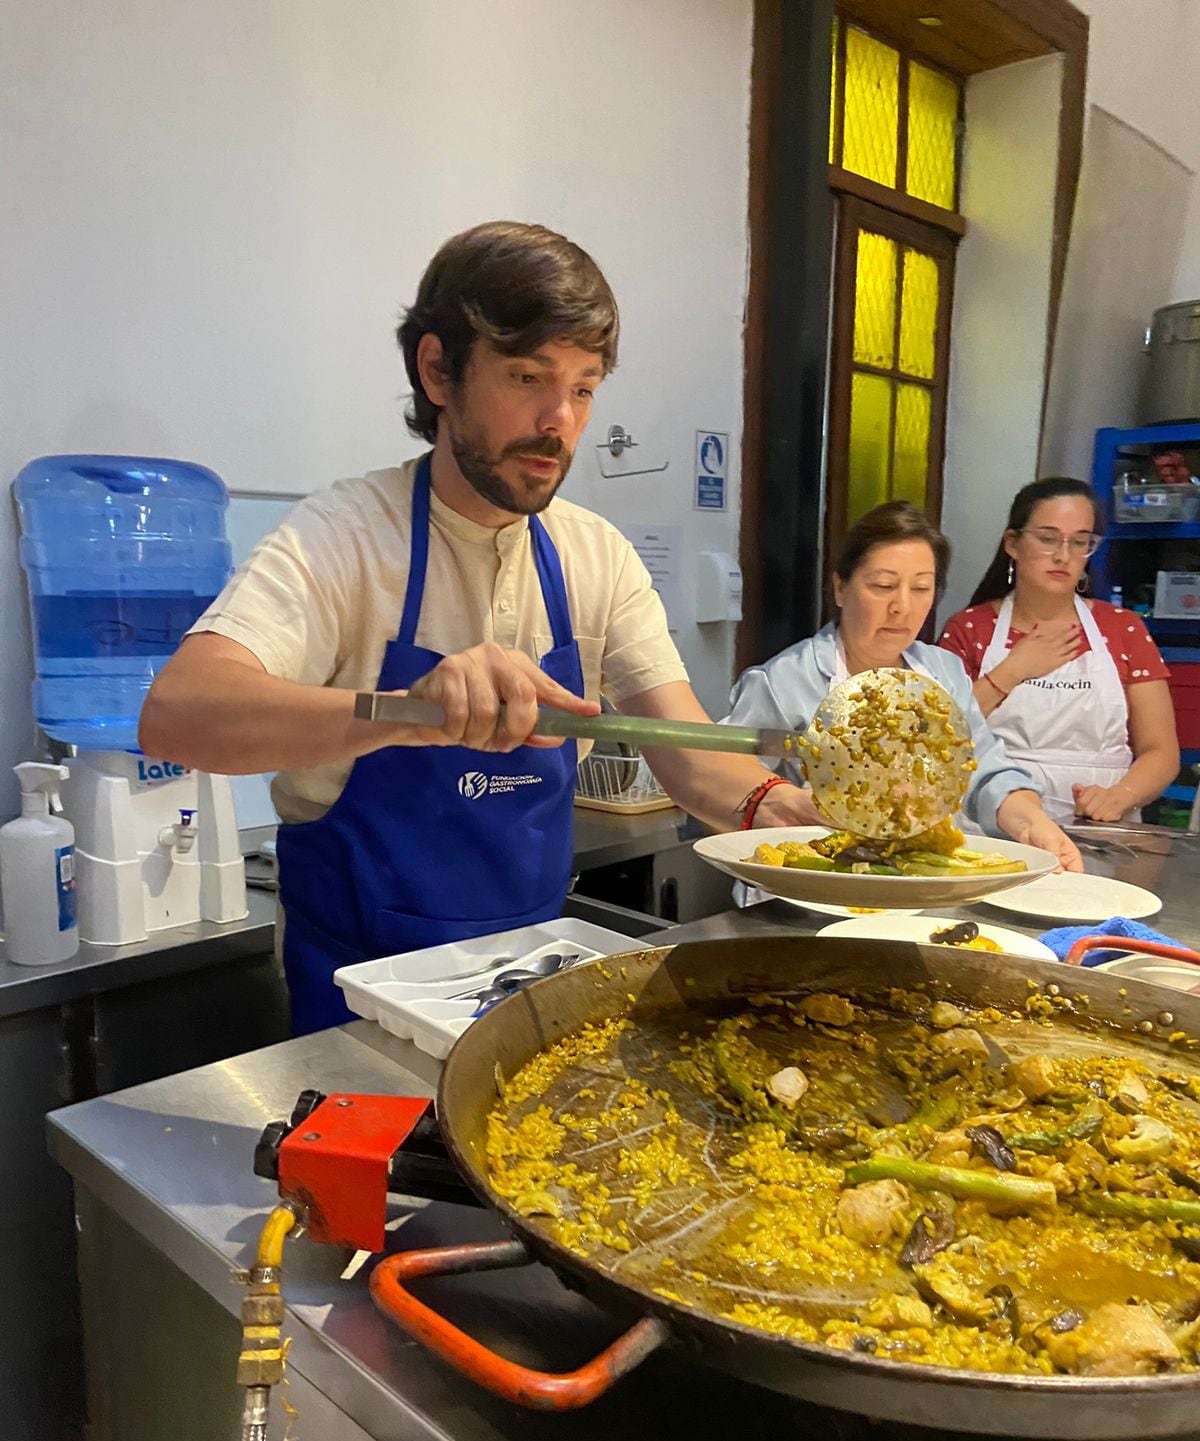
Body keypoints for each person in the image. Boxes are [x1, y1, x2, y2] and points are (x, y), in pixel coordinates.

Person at [138, 220, 816, 1033]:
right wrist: (406, 712)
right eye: (529, 375)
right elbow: (180, 716)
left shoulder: (594, 556)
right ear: (437, 370)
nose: (559, 419)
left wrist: (788, 813)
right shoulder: (348, 534)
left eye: (585, 386)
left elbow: (687, 750)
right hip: (358, 1007)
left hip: (532, 988)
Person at [725, 502, 1081, 869]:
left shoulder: (943, 673)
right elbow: (722, 787)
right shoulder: (783, 681)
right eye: (883, 586)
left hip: (925, 885)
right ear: (841, 588)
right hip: (811, 887)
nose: (902, 607)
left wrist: (1033, 824)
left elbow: (986, 772)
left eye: (921, 588)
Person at [939, 477, 1178, 824]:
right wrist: (1013, 670)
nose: (1063, 556)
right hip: (994, 830)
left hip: (1104, 830)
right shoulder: (969, 628)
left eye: (1080, 542)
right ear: (1013, 543)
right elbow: (939, 736)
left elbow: (1162, 751)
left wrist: (1121, 796)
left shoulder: (1123, 628)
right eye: (1048, 539)